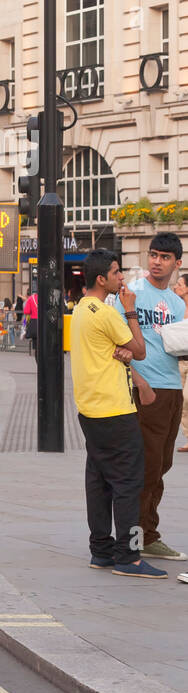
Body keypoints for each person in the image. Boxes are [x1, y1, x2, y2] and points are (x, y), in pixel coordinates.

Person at [71, 249, 165, 578]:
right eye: (116, 272)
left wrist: (124, 353)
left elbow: (120, 353)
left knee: (98, 481)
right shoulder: (109, 313)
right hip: (115, 410)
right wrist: (131, 312)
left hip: (90, 409)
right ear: (101, 279)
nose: (121, 277)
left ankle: (101, 550)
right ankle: (130, 556)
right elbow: (139, 350)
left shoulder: (83, 308)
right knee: (130, 482)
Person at [128, 233, 187, 561]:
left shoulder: (178, 304)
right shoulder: (133, 293)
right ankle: (140, 535)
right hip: (145, 388)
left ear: (177, 263)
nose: (156, 261)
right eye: (153, 254)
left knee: (162, 462)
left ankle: (145, 532)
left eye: (165, 257)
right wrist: (138, 382)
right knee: (148, 464)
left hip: (171, 388)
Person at [175, 270, 188, 454]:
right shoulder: (176, 307)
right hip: (178, 360)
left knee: (187, 398)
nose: (176, 286)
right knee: (180, 401)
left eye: (179, 284)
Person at [23, 291, 39, 357]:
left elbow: (26, 311)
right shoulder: (46, 297)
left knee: (36, 343)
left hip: (34, 322)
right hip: (44, 323)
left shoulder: (31, 298)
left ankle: (38, 361)